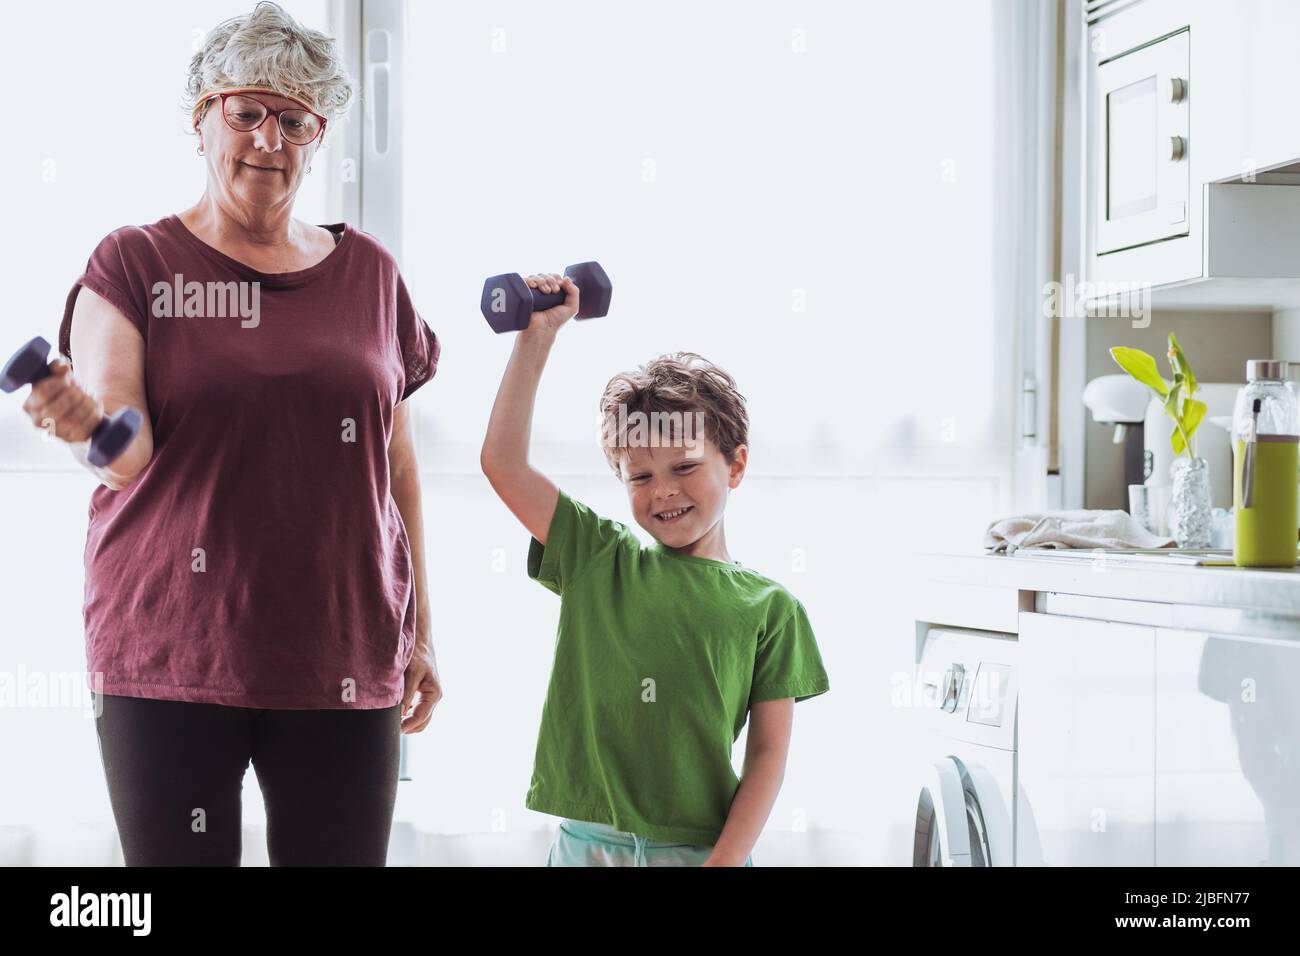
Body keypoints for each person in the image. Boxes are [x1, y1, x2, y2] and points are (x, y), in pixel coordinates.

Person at [24, 1, 443, 866]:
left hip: (342, 646)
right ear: (201, 118)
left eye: (296, 120)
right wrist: (83, 427)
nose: (269, 138)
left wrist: (423, 629)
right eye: (246, 111)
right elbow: (122, 444)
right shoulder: (134, 261)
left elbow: (395, 467)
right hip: (172, 647)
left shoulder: (370, 274)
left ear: (319, 134)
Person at [480, 273, 830, 866]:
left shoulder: (772, 608)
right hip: (587, 848)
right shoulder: (598, 557)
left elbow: (768, 755)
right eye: (640, 476)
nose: (663, 492)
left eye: (685, 468)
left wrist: (722, 863)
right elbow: (503, 463)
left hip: (699, 854)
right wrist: (536, 338)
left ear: (736, 464)